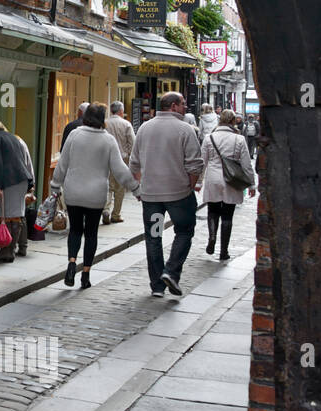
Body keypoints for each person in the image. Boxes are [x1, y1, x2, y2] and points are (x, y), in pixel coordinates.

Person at [52, 103, 140, 289]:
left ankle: (70, 264)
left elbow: (62, 164)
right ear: (103, 119)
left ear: (85, 117)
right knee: (91, 234)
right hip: (96, 194)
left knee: (75, 230)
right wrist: (136, 189)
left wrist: (55, 185)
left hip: (74, 192)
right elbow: (120, 170)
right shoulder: (108, 141)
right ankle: (85, 274)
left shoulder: (74, 135)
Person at [130, 91, 203, 297]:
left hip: (152, 196)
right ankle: (171, 271)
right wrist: (189, 187)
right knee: (184, 231)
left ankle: (157, 286)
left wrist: (141, 186)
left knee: (153, 237)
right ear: (173, 106)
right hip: (178, 194)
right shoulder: (184, 129)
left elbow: (134, 163)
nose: (185, 107)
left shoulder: (144, 128)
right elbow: (195, 165)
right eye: (182, 103)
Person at [201, 109, 257, 261]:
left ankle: (212, 237)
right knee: (227, 215)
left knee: (212, 211)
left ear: (219, 121)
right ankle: (223, 251)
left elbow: (202, 162)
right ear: (233, 121)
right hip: (231, 180)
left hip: (213, 178)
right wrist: (252, 185)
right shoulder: (239, 140)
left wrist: (198, 182)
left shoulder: (209, 137)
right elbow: (246, 165)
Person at [0, 117, 34, 263]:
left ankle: (7, 252)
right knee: (15, 216)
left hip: (9, 181)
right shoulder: (11, 136)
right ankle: (10, 250)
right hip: (22, 180)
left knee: (9, 216)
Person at [103, 100, 136, 225]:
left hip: (106, 159)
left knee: (108, 186)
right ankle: (116, 214)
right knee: (119, 188)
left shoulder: (105, 123)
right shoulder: (126, 124)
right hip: (122, 159)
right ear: (121, 111)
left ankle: (106, 209)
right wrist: (130, 156)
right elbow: (133, 142)